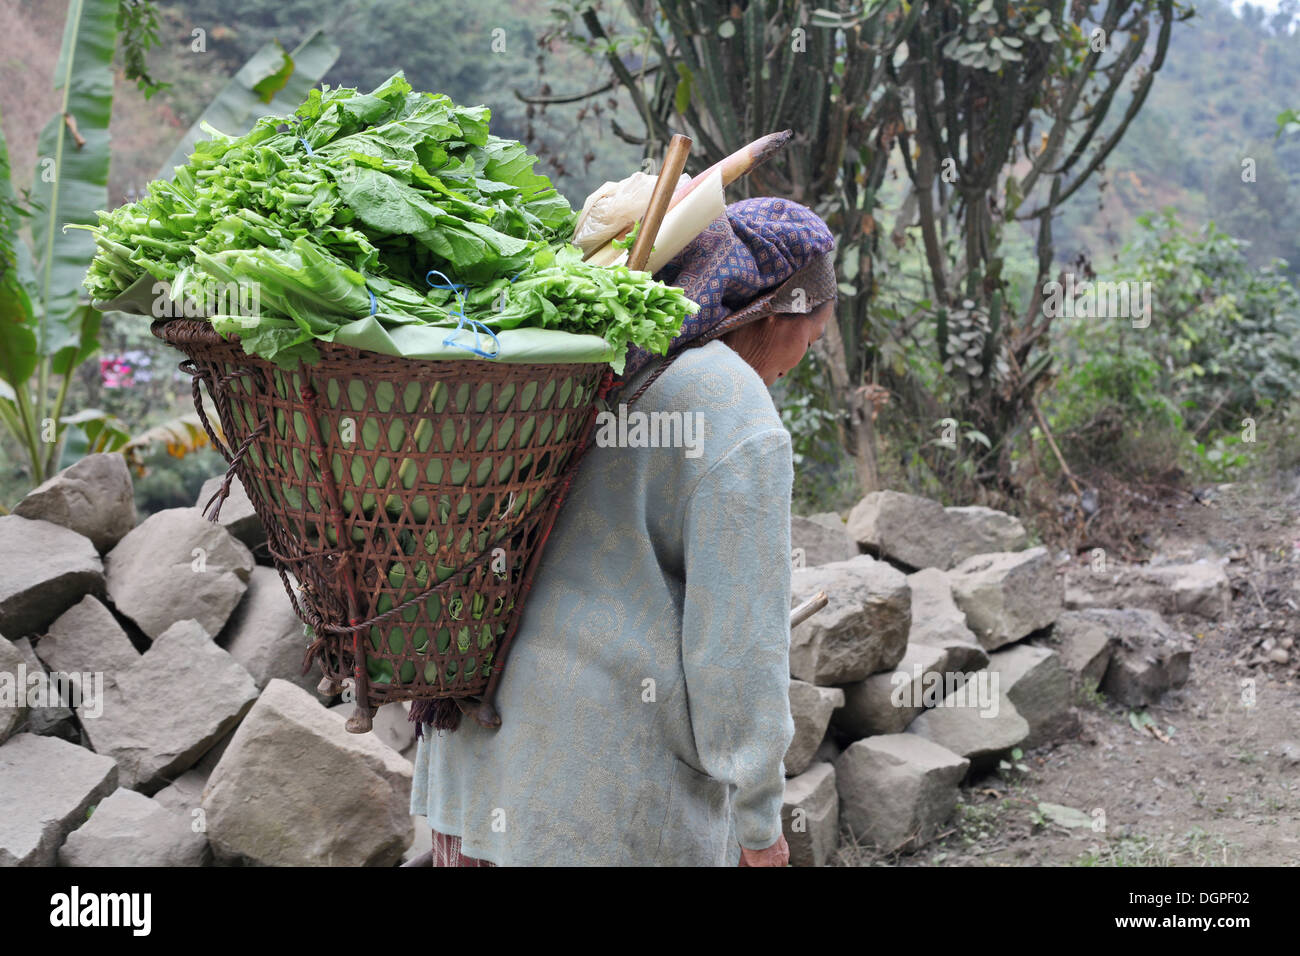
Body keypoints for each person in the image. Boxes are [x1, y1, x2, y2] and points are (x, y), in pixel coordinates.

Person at [409, 196, 837, 866]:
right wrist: (761, 822)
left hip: (472, 768)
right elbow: (736, 653)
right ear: (781, 309)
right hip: (600, 795)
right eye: (810, 340)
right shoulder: (733, 408)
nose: (798, 364)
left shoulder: (581, 355)